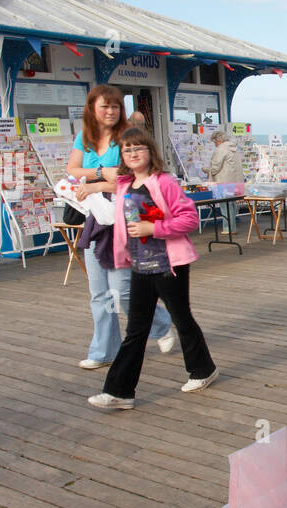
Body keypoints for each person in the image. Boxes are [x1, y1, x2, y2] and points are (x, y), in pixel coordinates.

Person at [88, 127, 216, 410]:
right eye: (127, 149)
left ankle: (203, 370)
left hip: (169, 265)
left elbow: (189, 219)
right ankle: (119, 392)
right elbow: (93, 175)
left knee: (181, 318)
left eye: (138, 148)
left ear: (150, 151)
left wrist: (153, 228)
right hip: (139, 266)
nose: (133, 153)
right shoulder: (123, 184)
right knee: (136, 329)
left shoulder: (165, 182)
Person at [69, 84, 173, 370]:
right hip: (97, 219)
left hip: (125, 220)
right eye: (104, 106)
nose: (111, 111)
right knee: (98, 291)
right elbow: (73, 169)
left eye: (115, 106)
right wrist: (103, 174)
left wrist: (97, 184)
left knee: (122, 290)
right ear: (92, 108)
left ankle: (161, 323)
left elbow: (135, 176)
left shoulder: (128, 137)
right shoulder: (85, 137)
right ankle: (104, 350)